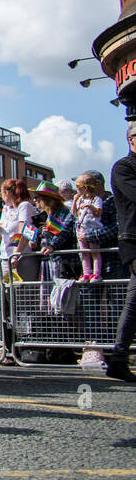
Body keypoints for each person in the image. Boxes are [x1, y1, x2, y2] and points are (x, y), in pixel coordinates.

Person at [108, 124, 136, 382]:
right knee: (134, 302)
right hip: (134, 239)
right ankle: (117, 358)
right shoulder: (124, 167)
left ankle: (118, 359)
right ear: (131, 139)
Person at [73, 172, 106, 281]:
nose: (77, 190)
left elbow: (98, 213)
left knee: (94, 252)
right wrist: (74, 201)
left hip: (92, 230)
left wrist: (89, 206)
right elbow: (74, 213)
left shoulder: (96, 199)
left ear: (86, 188)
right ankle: (86, 273)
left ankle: (96, 273)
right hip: (82, 230)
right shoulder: (80, 200)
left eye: (79, 188)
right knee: (84, 253)